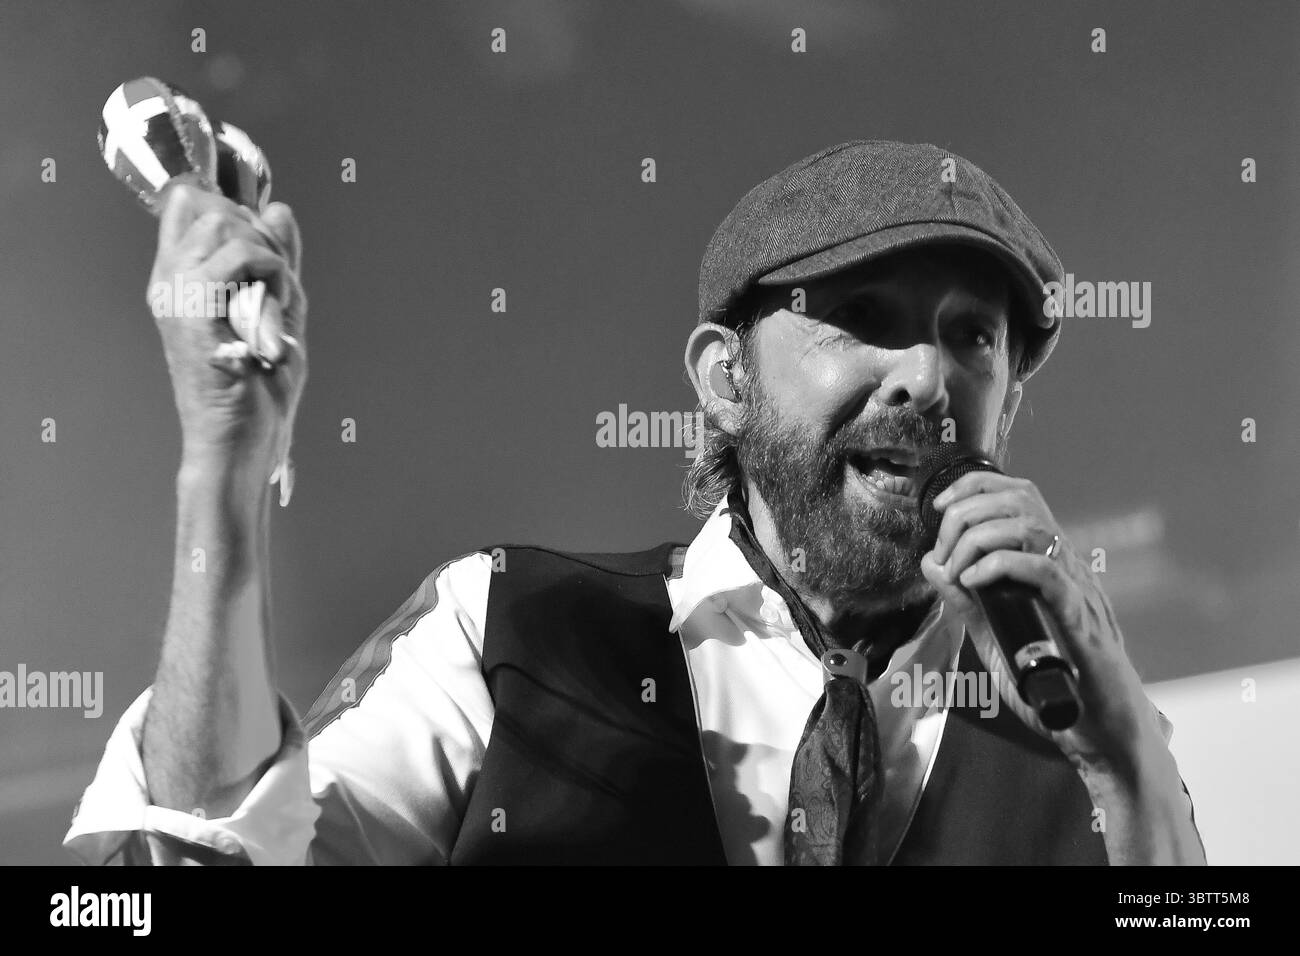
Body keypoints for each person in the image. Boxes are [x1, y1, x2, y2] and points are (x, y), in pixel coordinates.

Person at [64, 140, 1205, 866]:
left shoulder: (1083, 724)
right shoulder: (510, 627)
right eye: (863, 313)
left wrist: (1124, 769)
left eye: (972, 336)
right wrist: (220, 474)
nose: (925, 374)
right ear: (724, 378)